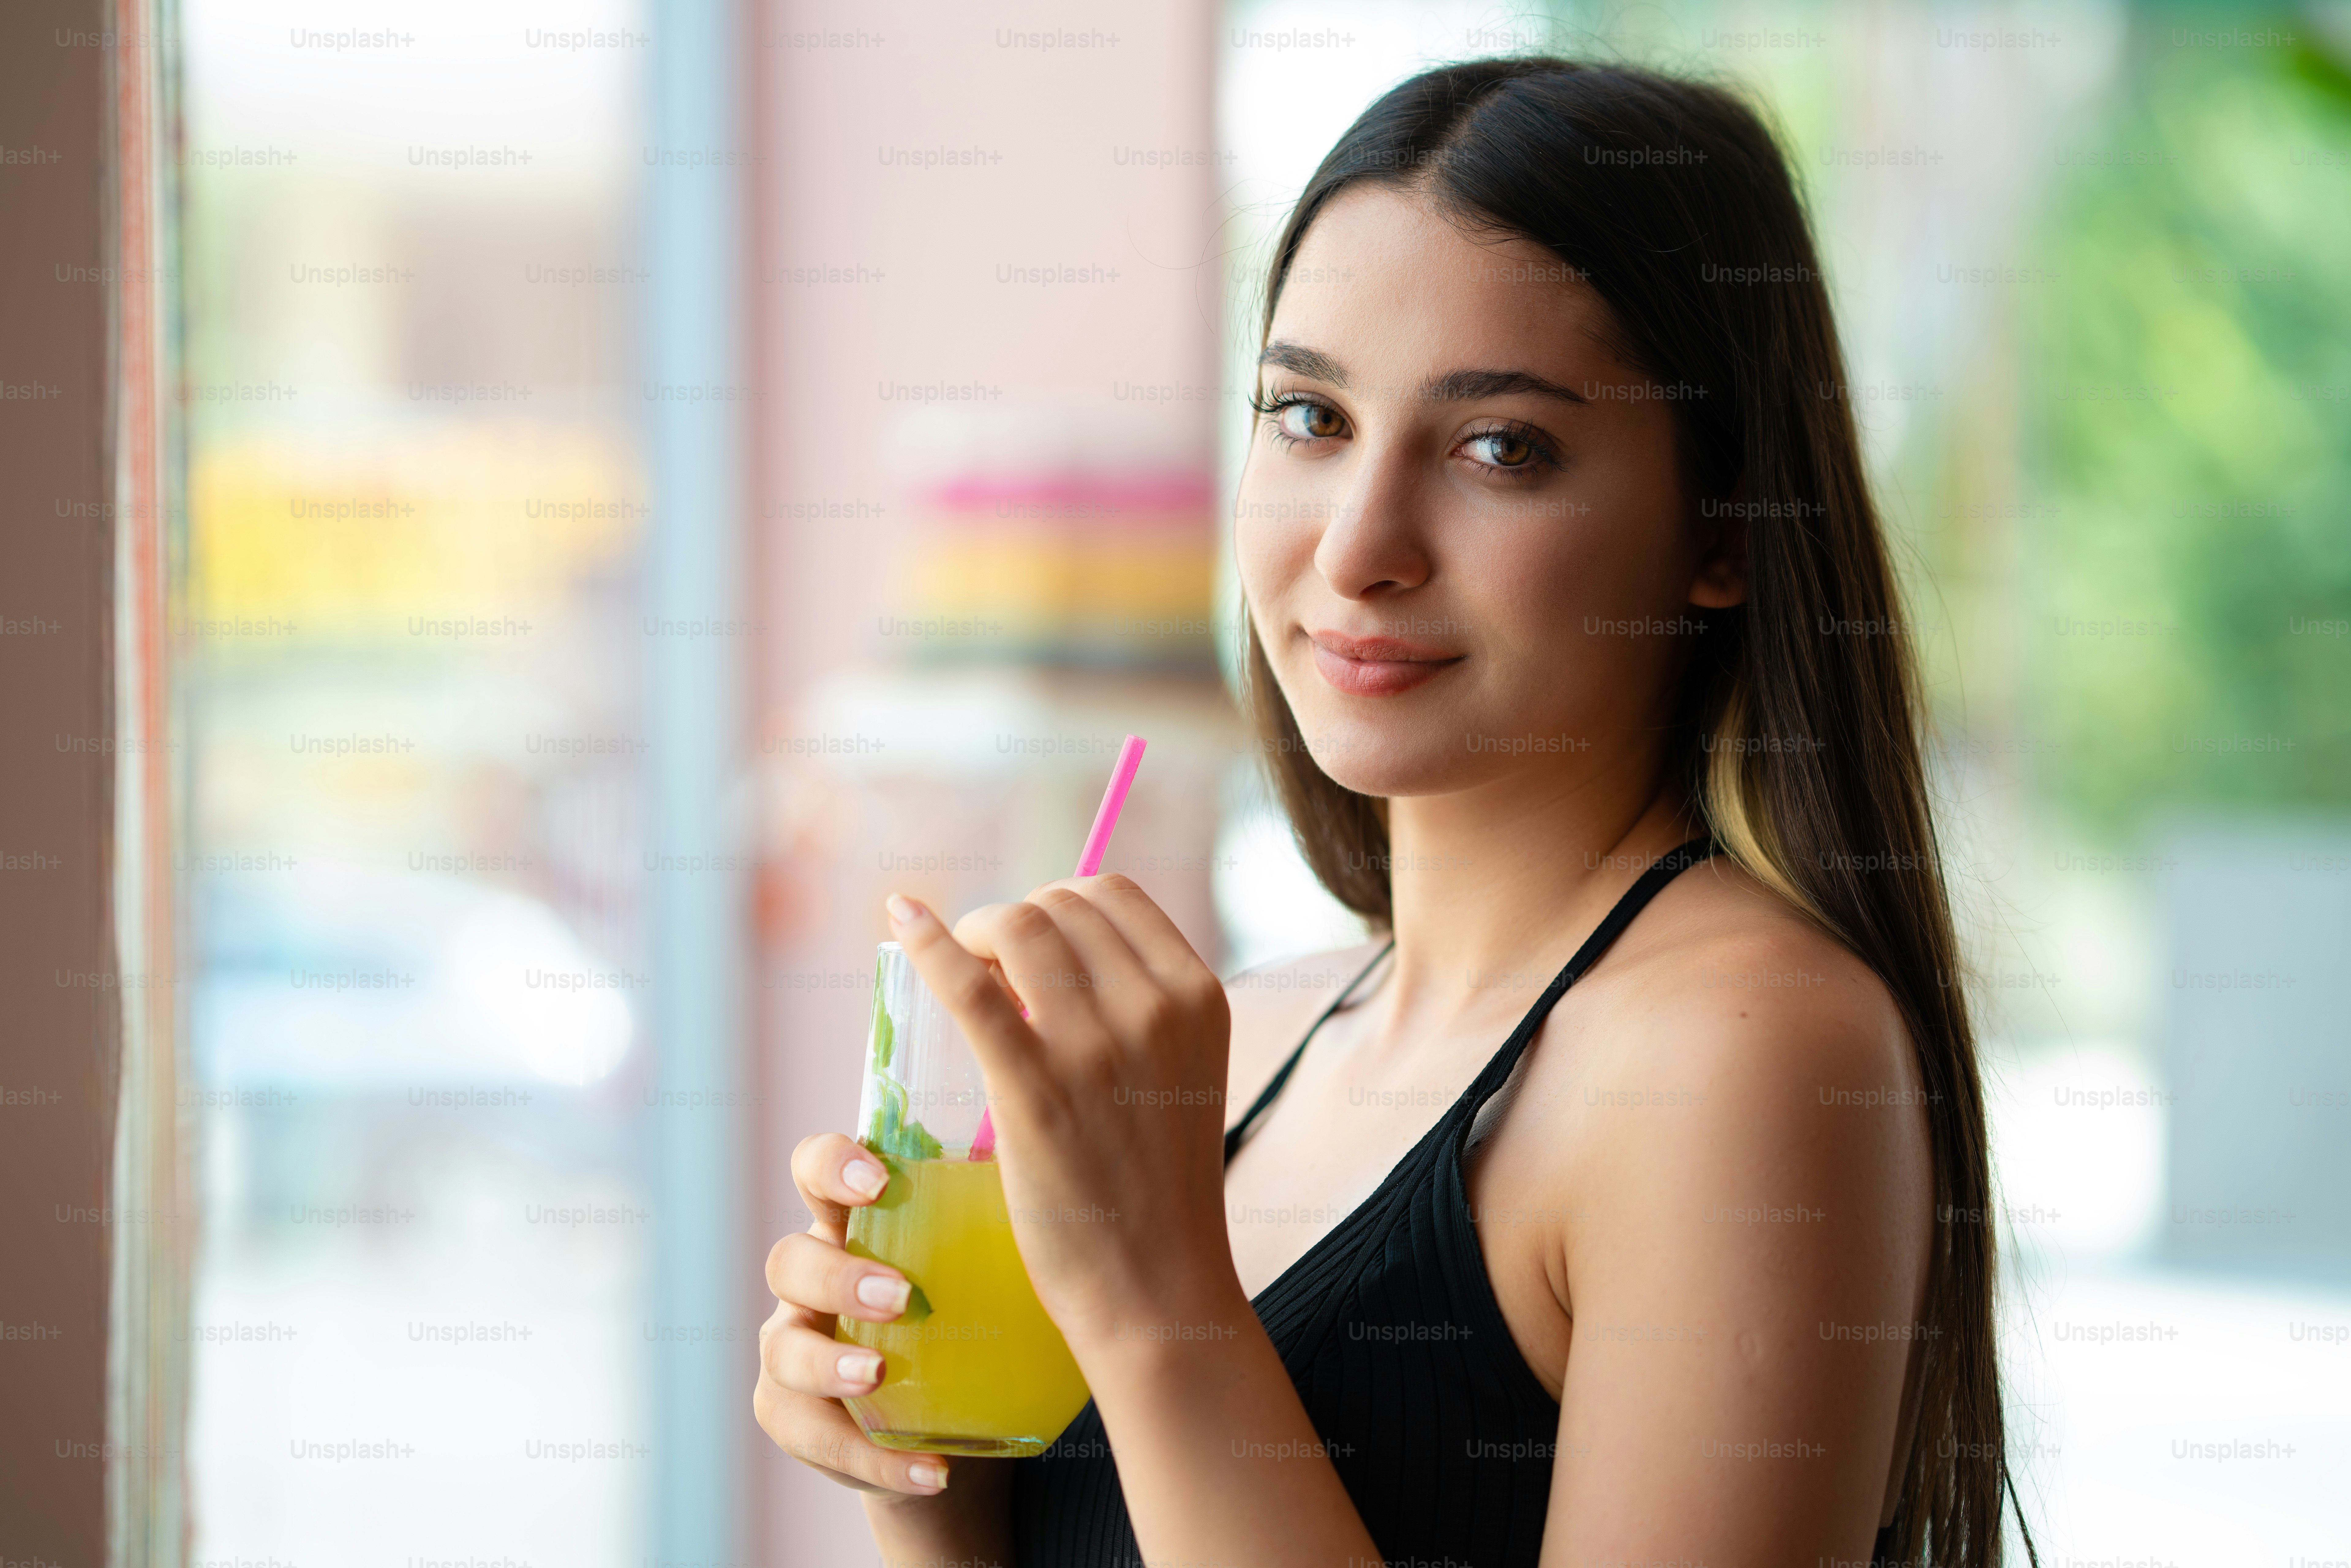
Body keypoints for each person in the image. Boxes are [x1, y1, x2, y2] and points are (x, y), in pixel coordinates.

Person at [754, 56, 2031, 1568]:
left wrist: (1159, 1310)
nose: (1358, 548)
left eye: (1501, 448)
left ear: (1726, 529)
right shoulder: (1245, 1043)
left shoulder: (1746, 1056)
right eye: (1307, 417)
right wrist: (933, 1469)